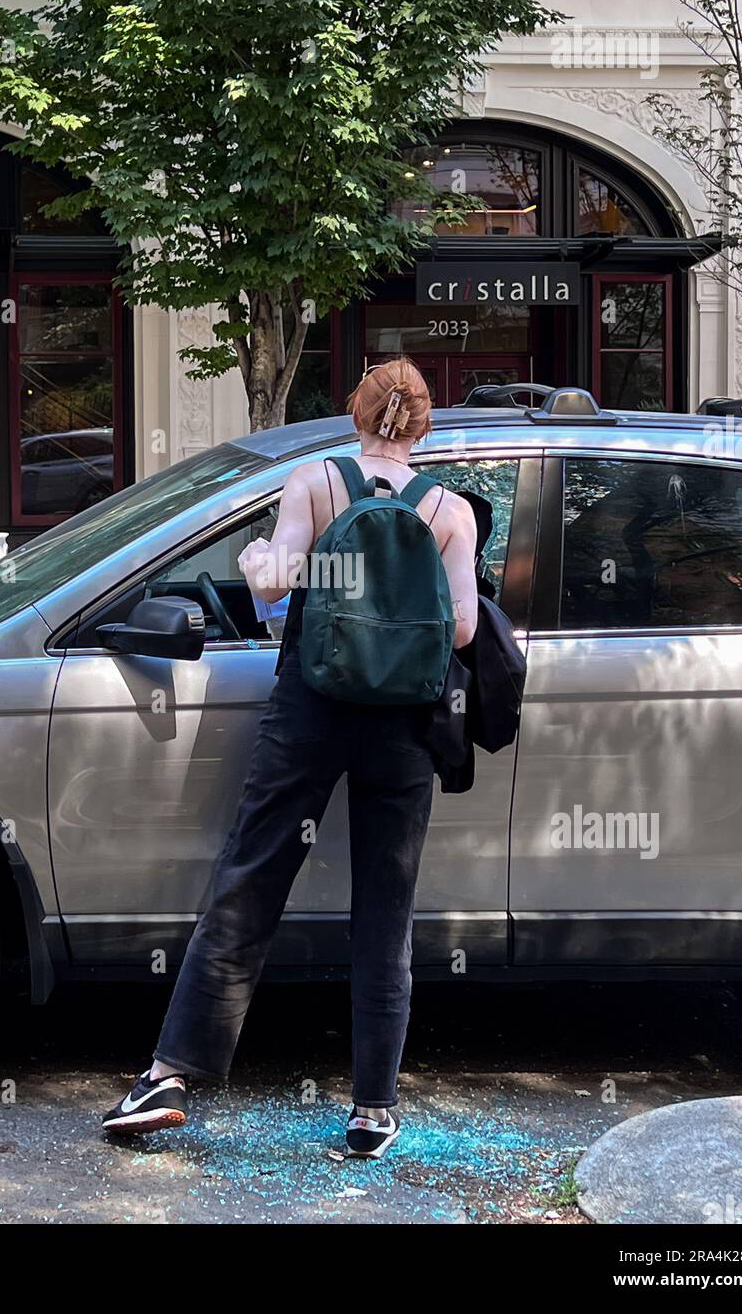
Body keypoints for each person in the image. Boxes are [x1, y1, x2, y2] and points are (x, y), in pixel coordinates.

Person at [102, 357, 477, 1158]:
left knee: (252, 878)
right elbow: (465, 631)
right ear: (422, 425)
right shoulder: (448, 509)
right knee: (386, 909)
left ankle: (168, 1074)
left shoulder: (315, 481)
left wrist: (254, 567)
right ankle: (373, 1108)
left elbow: (273, 584)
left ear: (355, 413)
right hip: (404, 723)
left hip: (313, 702)